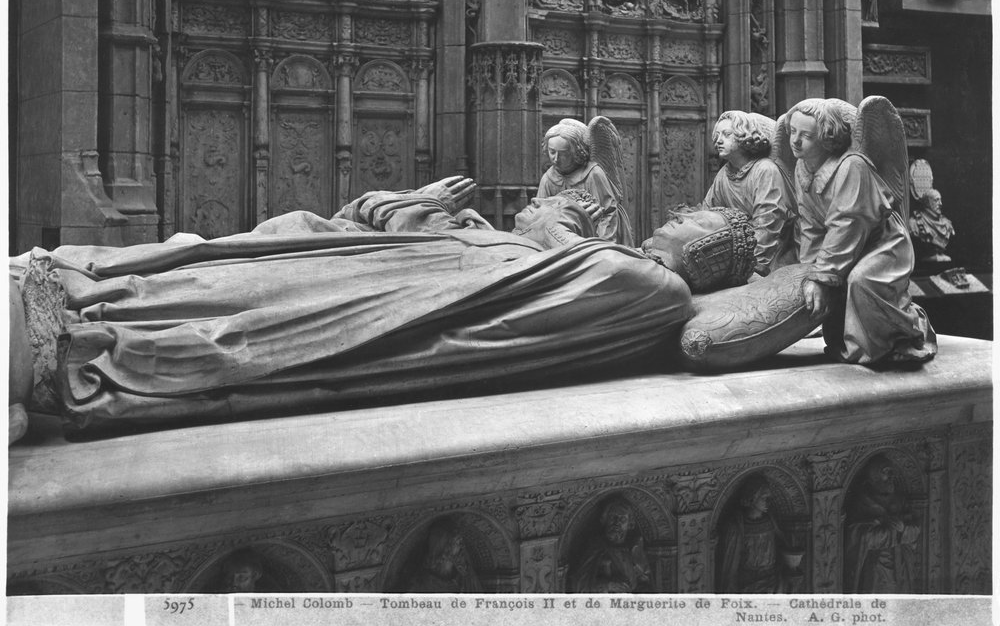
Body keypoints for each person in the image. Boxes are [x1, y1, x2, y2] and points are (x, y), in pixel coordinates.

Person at [11, 177, 755, 436]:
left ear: (711, 252)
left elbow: (506, 281)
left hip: (413, 304)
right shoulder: (614, 264)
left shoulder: (654, 285)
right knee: (264, 252)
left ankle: (78, 336)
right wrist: (421, 209)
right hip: (416, 275)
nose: (685, 209)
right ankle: (72, 304)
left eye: (698, 218)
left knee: (253, 309)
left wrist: (467, 230)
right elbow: (505, 257)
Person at [787, 98, 936, 365]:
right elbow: (810, 226)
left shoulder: (852, 166)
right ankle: (853, 344)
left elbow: (848, 223)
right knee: (834, 287)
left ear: (826, 136)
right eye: (793, 132)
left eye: (806, 135)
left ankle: (903, 335)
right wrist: (808, 272)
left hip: (883, 245)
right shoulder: (803, 169)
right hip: (846, 247)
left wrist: (822, 278)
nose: (796, 141)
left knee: (860, 280)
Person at [703, 110, 797, 276]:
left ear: (744, 136)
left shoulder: (765, 170)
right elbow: (706, 215)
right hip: (741, 250)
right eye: (716, 135)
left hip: (775, 253)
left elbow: (769, 223)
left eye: (726, 134)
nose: (718, 140)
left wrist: (753, 266)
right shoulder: (724, 174)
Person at [538, 119, 633, 246]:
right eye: (552, 152)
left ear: (577, 151)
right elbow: (539, 216)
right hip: (562, 239)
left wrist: (603, 246)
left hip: (598, 237)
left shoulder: (593, 174)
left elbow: (608, 213)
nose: (556, 158)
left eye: (564, 154)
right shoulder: (548, 178)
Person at [844, 456, 919, 593]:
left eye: (891, 472)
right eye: (886, 472)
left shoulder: (899, 502)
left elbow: (916, 531)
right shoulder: (862, 503)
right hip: (876, 569)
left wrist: (903, 529)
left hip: (900, 568)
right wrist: (892, 531)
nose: (891, 476)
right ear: (874, 476)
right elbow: (858, 538)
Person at [718, 475, 799, 593]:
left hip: (772, 581)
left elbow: (783, 544)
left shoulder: (770, 521)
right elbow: (730, 565)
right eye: (764, 498)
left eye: (769, 498)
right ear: (752, 497)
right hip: (749, 584)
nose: (768, 502)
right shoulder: (737, 526)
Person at [571, 498, 651, 593]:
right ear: (604, 519)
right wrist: (608, 586)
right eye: (613, 517)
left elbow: (645, 582)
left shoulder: (634, 549)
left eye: (622, 519)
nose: (617, 523)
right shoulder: (595, 548)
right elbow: (578, 585)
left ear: (630, 524)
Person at [401, 518, 481, 592]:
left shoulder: (465, 577)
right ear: (445, 546)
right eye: (457, 542)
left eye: (460, 542)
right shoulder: (421, 582)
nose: (461, 546)